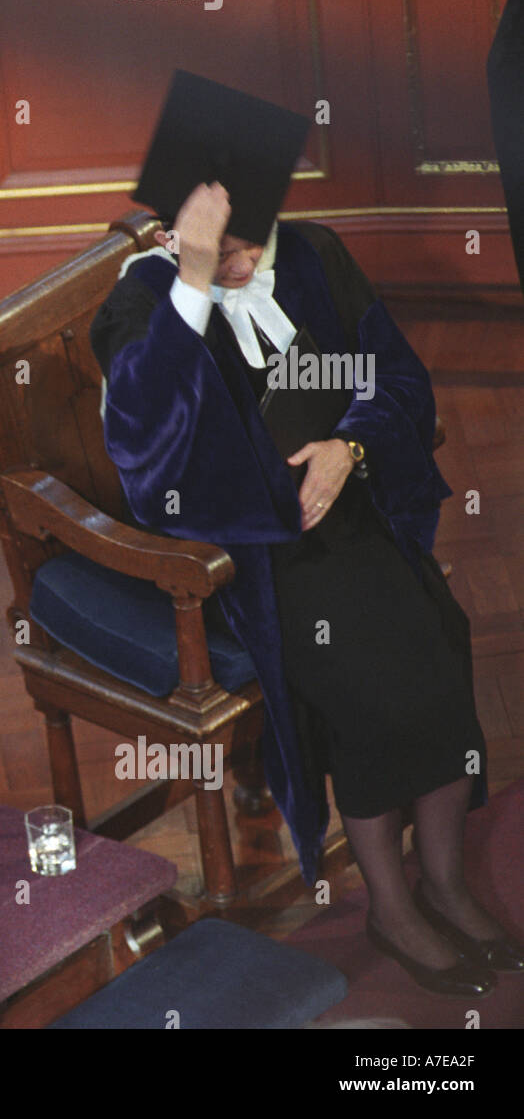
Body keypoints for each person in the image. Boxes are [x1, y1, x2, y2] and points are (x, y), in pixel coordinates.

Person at [92, 73, 523, 998]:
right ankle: (391, 903)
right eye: (221, 248)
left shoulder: (320, 260)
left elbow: (397, 378)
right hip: (250, 557)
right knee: (367, 684)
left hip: (355, 515)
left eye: (251, 245)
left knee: (442, 644)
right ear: (179, 233)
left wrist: (350, 447)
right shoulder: (144, 307)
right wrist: (196, 283)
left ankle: (445, 880)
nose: (244, 263)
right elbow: (141, 438)